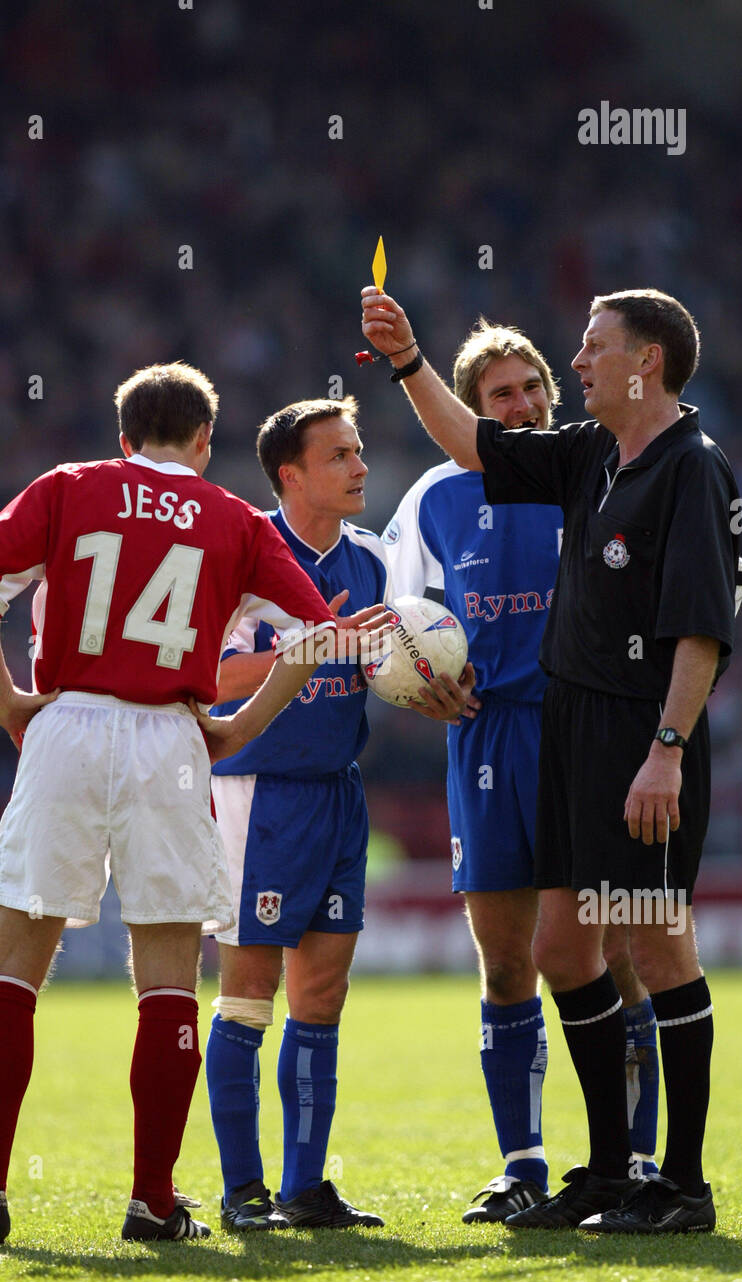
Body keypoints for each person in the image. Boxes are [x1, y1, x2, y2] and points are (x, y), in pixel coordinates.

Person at [0, 361, 383, 1246]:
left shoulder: (68, 487)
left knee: (11, 967)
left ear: (124, 436)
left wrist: (7, 700)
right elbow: (315, 636)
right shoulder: (231, 519)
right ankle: (153, 1200)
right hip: (172, 739)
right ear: (206, 442)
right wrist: (234, 726)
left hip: (64, 725)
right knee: (170, 977)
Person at [362, 285, 740, 1232]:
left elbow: (701, 630)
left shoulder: (691, 468)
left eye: (591, 347)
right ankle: (607, 1173)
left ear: (643, 361)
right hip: (568, 736)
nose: (576, 365)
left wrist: (667, 749)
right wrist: (409, 358)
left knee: (653, 945)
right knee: (561, 950)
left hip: (636, 735)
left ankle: (680, 1183)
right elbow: (472, 444)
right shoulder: (593, 458)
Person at [203, 395, 472, 1232]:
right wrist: (316, 646)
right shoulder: (236, 555)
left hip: (336, 791)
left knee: (321, 991)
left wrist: (432, 694)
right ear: (290, 474)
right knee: (249, 992)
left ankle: (306, 1188)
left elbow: (392, 662)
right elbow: (208, 679)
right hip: (257, 790)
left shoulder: (371, 558)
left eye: (358, 452)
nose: (361, 467)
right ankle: (243, 1193)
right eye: (340, 456)